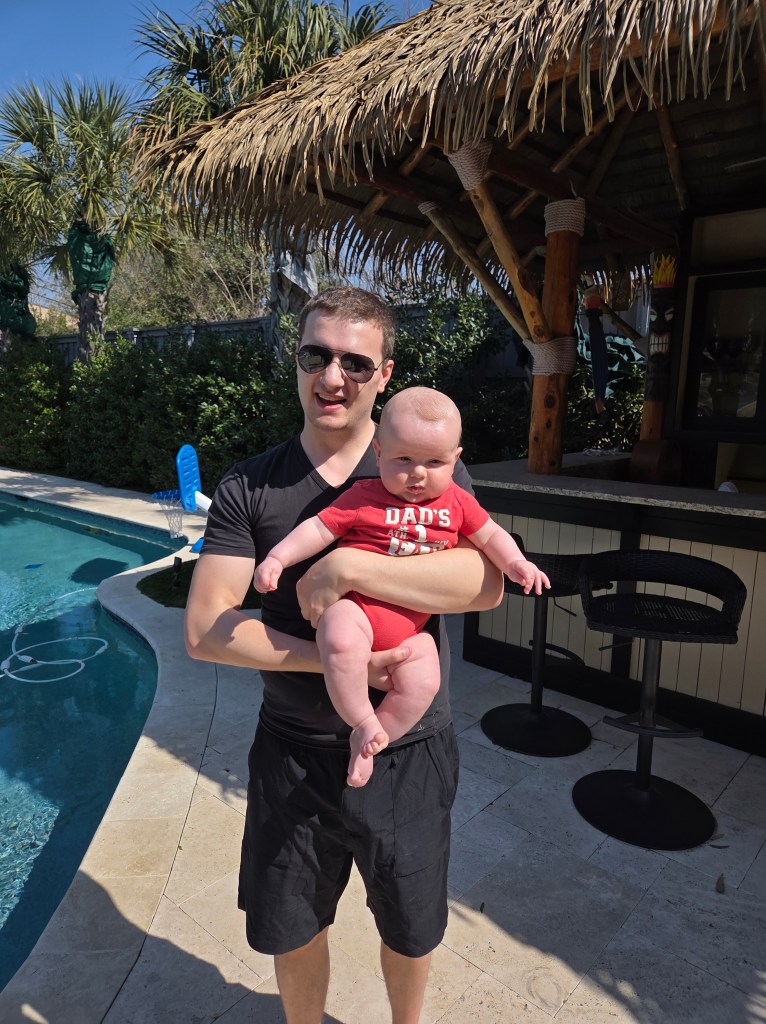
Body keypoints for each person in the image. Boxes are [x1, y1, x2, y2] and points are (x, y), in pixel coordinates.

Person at [184, 286, 505, 1024]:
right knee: (292, 926)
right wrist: (338, 667)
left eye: (355, 362)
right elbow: (206, 629)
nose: (334, 377)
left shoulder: (420, 461)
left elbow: (483, 583)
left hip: (410, 752)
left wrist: (352, 570)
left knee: (411, 923)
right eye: (316, 355)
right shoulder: (250, 485)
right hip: (293, 752)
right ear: (294, 361)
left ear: (384, 373)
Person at [254, 386, 549, 788]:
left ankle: (373, 740)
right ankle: (361, 718)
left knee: (425, 681)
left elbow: (491, 535)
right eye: (403, 459)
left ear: (456, 459)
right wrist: (277, 558)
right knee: (339, 640)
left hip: (412, 630)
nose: (418, 473)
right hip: (355, 608)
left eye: (434, 461)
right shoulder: (362, 495)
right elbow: (317, 529)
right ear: (379, 454)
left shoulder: (457, 502)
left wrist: (516, 562)